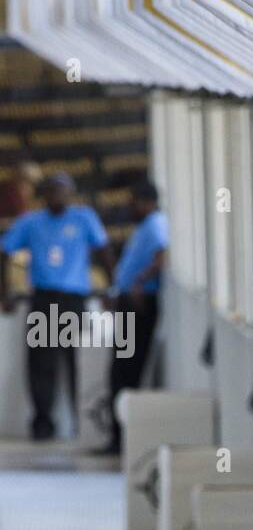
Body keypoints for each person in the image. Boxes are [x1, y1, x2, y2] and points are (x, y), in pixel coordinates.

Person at [0, 173, 113, 440]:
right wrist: (4, 293)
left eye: (61, 191)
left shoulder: (83, 218)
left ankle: (84, 424)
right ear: (44, 195)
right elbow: (4, 253)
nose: (56, 197)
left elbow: (105, 250)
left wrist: (112, 287)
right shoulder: (31, 222)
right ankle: (42, 424)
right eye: (51, 191)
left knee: (79, 363)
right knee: (41, 363)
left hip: (74, 299)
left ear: (71, 193)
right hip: (44, 299)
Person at [97, 179, 169, 454]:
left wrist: (138, 282)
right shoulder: (144, 227)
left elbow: (161, 255)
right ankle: (117, 438)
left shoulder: (156, 224)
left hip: (138, 307)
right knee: (119, 370)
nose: (130, 207)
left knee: (126, 371)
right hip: (127, 304)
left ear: (146, 201)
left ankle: (123, 440)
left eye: (134, 201)